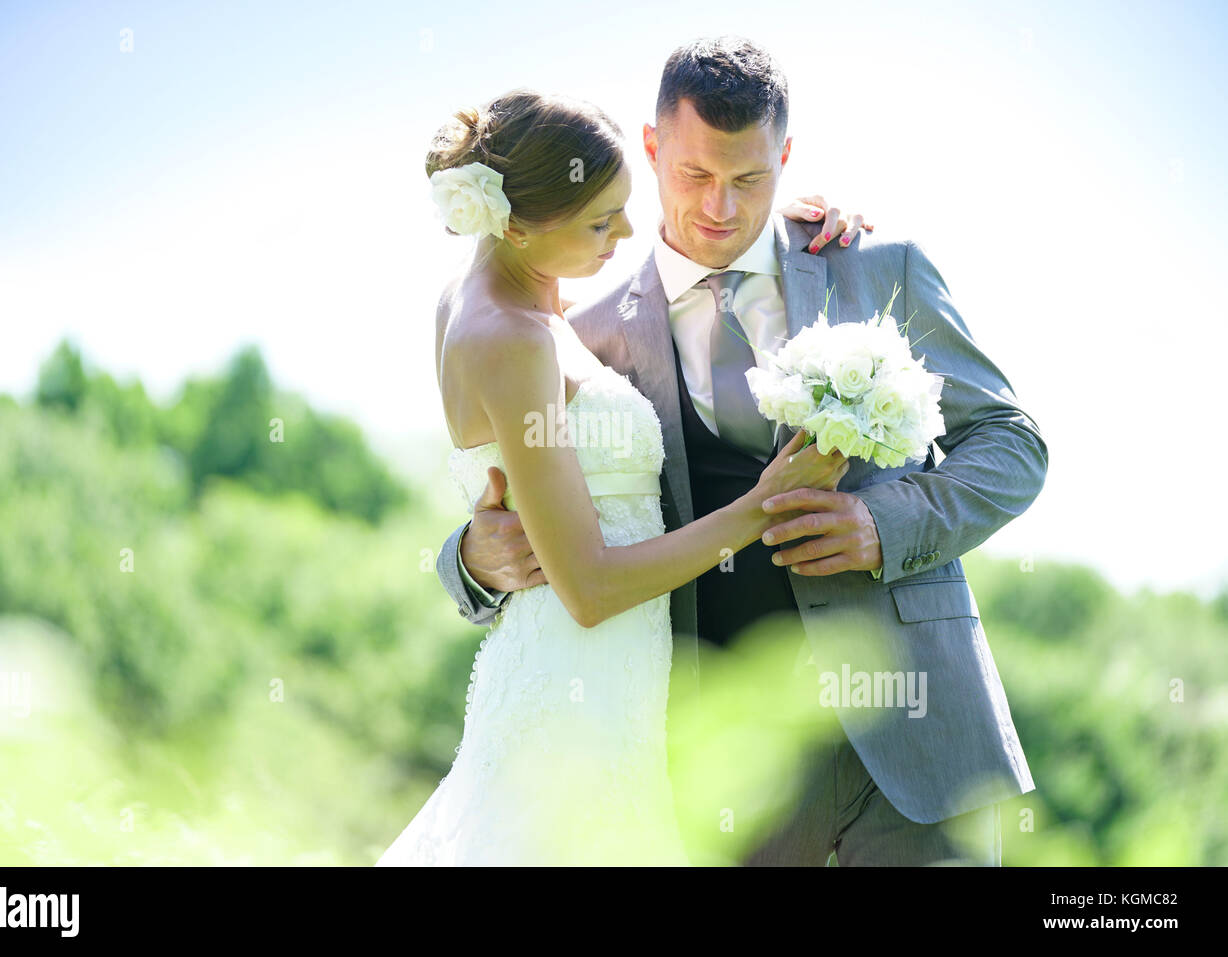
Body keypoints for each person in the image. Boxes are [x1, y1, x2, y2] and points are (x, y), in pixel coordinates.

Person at [435, 36, 1048, 866]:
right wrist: (473, 558)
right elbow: (527, 517)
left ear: (785, 157)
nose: (721, 206)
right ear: (651, 151)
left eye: (750, 179)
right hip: (725, 777)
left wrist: (883, 521)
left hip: (916, 741)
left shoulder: (874, 266)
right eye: (695, 176)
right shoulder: (581, 337)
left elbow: (1012, 443)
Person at [376, 84, 862, 865]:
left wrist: (780, 221)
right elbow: (590, 587)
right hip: (580, 675)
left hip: (615, 678)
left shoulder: (515, 299)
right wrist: (761, 505)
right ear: (521, 225)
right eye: (601, 221)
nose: (627, 232)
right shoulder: (514, 338)